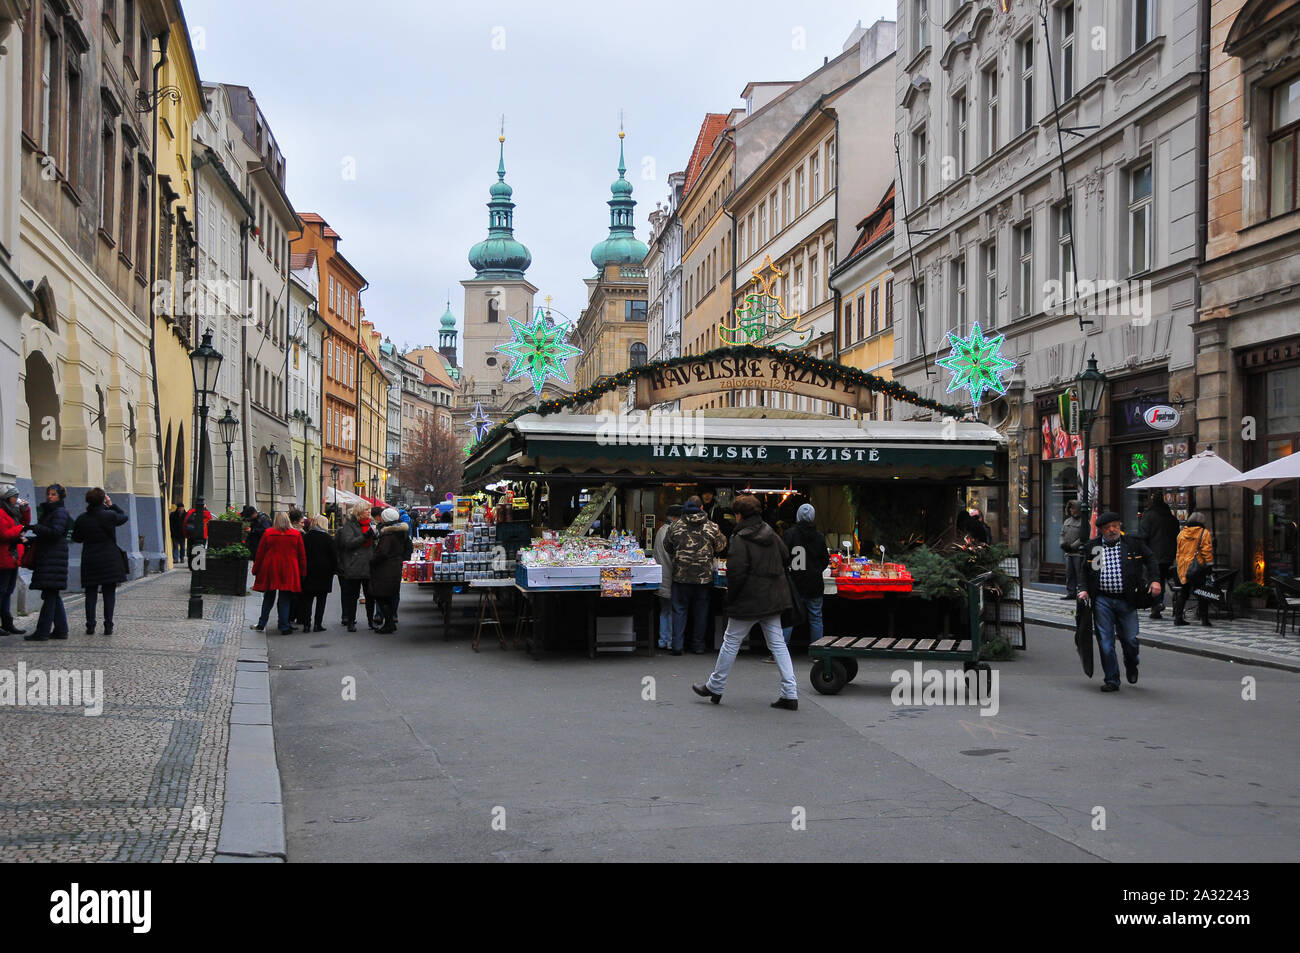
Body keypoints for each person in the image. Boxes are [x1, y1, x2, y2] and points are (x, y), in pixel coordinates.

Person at [693, 494, 797, 710]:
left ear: (740, 515)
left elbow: (736, 572)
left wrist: (731, 597)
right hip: (773, 596)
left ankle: (715, 686)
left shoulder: (740, 537)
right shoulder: (771, 533)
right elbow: (787, 556)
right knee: (778, 644)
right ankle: (790, 692)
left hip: (749, 599)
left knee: (731, 641)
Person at [1078, 510, 1160, 692]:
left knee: (1130, 639)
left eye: (1115, 526)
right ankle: (1112, 679)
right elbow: (1086, 571)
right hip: (1103, 600)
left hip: (1127, 600)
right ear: (1101, 530)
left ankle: (1131, 664)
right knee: (1106, 642)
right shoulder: (1095, 548)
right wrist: (1083, 589)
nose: (1112, 530)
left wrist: (1155, 580)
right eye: (1107, 528)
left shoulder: (1131, 544)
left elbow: (1151, 559)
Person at [664, 495, 726, 656]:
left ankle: (677, 645)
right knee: (701, 611)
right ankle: (698, 645)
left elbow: (667, 546)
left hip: (680, 576)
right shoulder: (712, 527)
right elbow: (721, 546)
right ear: (702, 508)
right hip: (703, 578)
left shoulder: (675, 526)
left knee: (679, 610)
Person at [72, 488, 129, 635]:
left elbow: (76, 538)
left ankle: (90, 625)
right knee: (109, 593)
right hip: (109, 558)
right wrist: (111, 504)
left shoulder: (82, 518)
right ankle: (108, 625)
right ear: (103, 500)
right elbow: (124, 517)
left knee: (90, 593)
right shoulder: (109, 515)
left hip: (90, 559)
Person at [23, 484, 72, 642]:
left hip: (53, 559)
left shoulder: (60, 512)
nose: (49, 497)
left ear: (60, 496)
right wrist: (29, 539)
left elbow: (55, 533)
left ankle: (42, 631)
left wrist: (35, 528)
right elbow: (48, 535)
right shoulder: (53, 512)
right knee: (53, 595)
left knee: (50, 596)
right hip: (51, 557)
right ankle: (61, 630)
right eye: (48, 494)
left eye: (53, 494)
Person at [250, 512, 307, 635]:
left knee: (268, 597)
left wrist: (255, 569)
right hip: (289, 568)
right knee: (285, 599)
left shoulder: (269, 533)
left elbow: (260, 553)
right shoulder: (296, 534)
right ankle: (284, 626)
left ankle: (261, 623)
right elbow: (301, 555)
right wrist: (302, 572)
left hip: (271, 567)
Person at [782, 503, 829, 648]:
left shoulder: (790, 534)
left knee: (790, 617)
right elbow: (825, 560)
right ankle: (817, 651)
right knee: (815, 617)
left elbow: (783, 557)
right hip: (814, 583)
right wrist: (815, 570)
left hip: (794, 582)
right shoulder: (819, 536)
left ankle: (779, 652)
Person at [1137, 491, 1180, 620]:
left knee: (1154, 578)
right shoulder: (1171, 517)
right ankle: (1162, 603)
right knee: (1162, 578)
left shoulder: (1149, 516)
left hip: (1153, 554)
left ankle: (1156, 604)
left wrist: (1141, 551)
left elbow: (1143, 535)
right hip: (1169, 554)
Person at [369, 507, 413, 634]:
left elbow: (382, 552)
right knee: (391, 594)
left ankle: (388, 623)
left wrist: (372, 560)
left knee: (382, 595)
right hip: (395, 566)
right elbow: (408, 548)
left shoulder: (388, 533)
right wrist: (402, 559)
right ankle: (391, 620)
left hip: (385, 568)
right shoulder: (402, 531)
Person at [336, 500, 377, 632]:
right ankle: (351, 621)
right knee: (353, 596)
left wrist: (376, 536)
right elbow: (348, 543)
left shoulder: (371, 524)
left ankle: (371, 621)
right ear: (359, 512)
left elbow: (374, 544)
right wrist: (365, 536)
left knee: (370, 596)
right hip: (354, 565)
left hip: (369, 564)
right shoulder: (350, 525)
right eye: (366, 510)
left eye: (369, 510)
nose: (369, 512)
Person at [1173, 512, 1215, 628]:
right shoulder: (1204, 533)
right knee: (1202, 593)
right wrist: (1209, 566)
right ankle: (1204, 619)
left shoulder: (1181, 533)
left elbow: (1178, 552)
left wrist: (1180, 565)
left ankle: (1178, 617)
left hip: (1184, 567)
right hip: (1198, 567)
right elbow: (1207, 551)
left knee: (1184, 593)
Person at [0, 485, 31, 635]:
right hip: (4, 558)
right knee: (2, 591)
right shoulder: (1, 512)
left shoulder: (13, 511)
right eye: (14, 495)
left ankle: (7, 623)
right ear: (6, 498)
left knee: (7, 592)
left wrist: (26, 510)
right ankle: (4, 623)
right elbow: (4, 534)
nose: (16, 498)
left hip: (13, 557)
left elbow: (24, 523)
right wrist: (20, 529)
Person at [652, 504, 684, 650]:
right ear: (675, 518)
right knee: (672, 611)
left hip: (661, 578)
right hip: (671, 578)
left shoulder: (660, 531)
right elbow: (674, 558)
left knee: (664, 611)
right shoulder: (672, 533)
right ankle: (670, 641)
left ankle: (662, 640)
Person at [301, 515, 338, 632]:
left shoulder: (306, 537)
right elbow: (334, 556)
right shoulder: (327, 538)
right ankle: (318, 624)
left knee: (307, 600)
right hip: (324, 572)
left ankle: (306, 624)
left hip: (308, 571)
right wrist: (334, 570)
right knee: (321, 601)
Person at [1060, 499, 1083, 599]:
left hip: (1078, 553)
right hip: (1068, 553)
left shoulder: (1083, 522)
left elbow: (1083, 537)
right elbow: (1061, 534)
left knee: (1079, 573)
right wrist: (1062, 544)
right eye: (1070, 508)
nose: (1071, 510)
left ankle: (1080, 592)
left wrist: (1072, 546)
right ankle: (1071, 592)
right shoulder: (1067, 521)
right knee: (1069, 573)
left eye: (1073, 508)